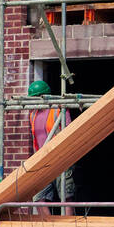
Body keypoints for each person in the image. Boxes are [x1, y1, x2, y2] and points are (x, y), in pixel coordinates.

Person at [28, 79, 72, 213]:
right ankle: (48, 226)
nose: (32, 102)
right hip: (42, 161)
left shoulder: (59, 110)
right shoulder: (33, 114)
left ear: (42, 96)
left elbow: (70, 133)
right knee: (38, 197)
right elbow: (35, 139)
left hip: (60, 159)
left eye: (34, 98)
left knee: (66, 196)